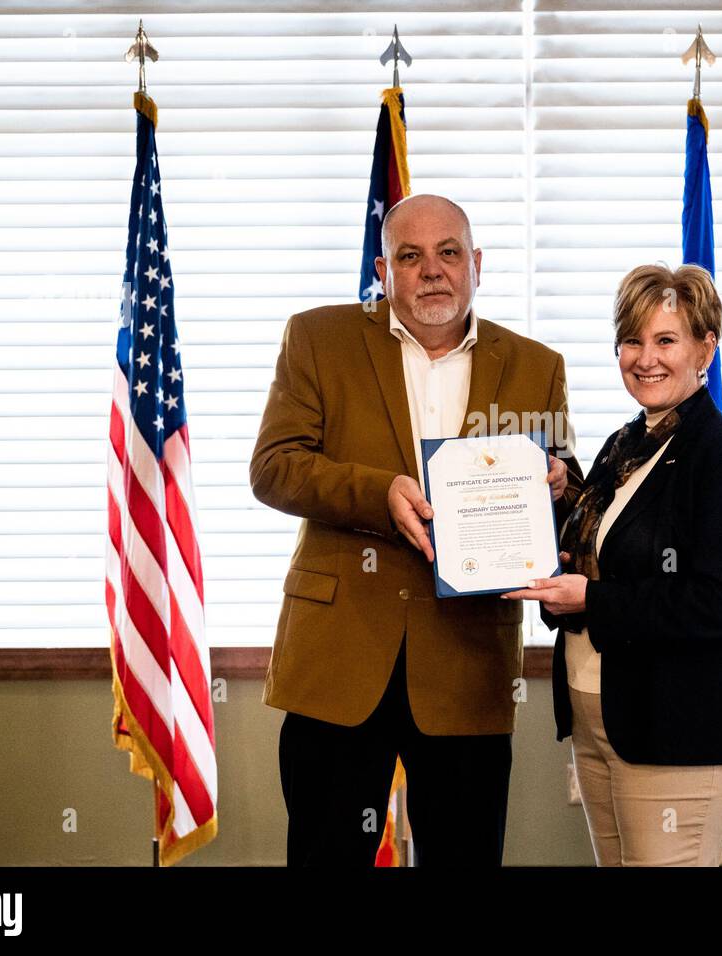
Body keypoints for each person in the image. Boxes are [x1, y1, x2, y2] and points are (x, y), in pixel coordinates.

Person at [250, 194, 583, 866]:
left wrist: (557, 483)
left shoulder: (536, 366)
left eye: (448, 252)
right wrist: (380, 493)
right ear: (384, 268)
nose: (432, 271)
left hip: (466, 662)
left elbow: (561, 494)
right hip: (340, 659)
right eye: (410, 256)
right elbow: (275, 468)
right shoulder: (318, 338)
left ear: (477, 264)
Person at [504, 263, 722, 867]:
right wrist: (548, 501)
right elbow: (598, 555)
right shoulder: (625, 445)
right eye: (632, 339)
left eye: (665, 340)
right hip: (600, 714)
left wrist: (590, 600)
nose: (644, 358)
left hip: (680, 726)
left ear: (706, 347)